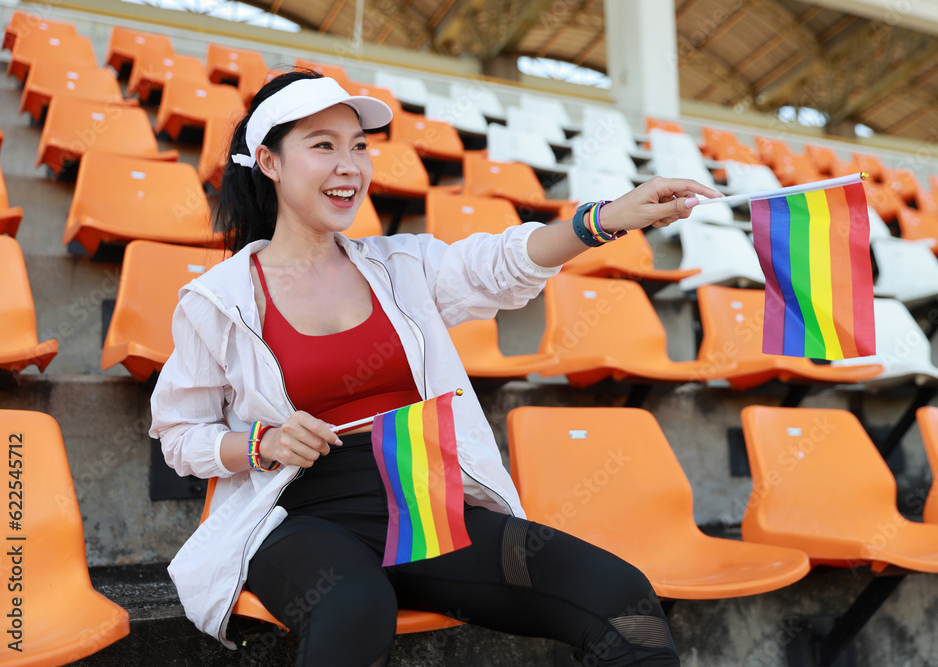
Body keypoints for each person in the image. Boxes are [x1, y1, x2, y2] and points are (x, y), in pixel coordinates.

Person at [149, 70, 722, 667]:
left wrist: (608, 218)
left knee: (620, 598)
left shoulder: (403, 265)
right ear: (268, 162)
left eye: (359, 147)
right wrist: (262, 442)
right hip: (298, 515)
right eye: (323, 145)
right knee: (352, 607)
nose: (350, 165)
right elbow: (180, 435)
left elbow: (499, 264)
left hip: (423, 508)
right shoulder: (217, 300)